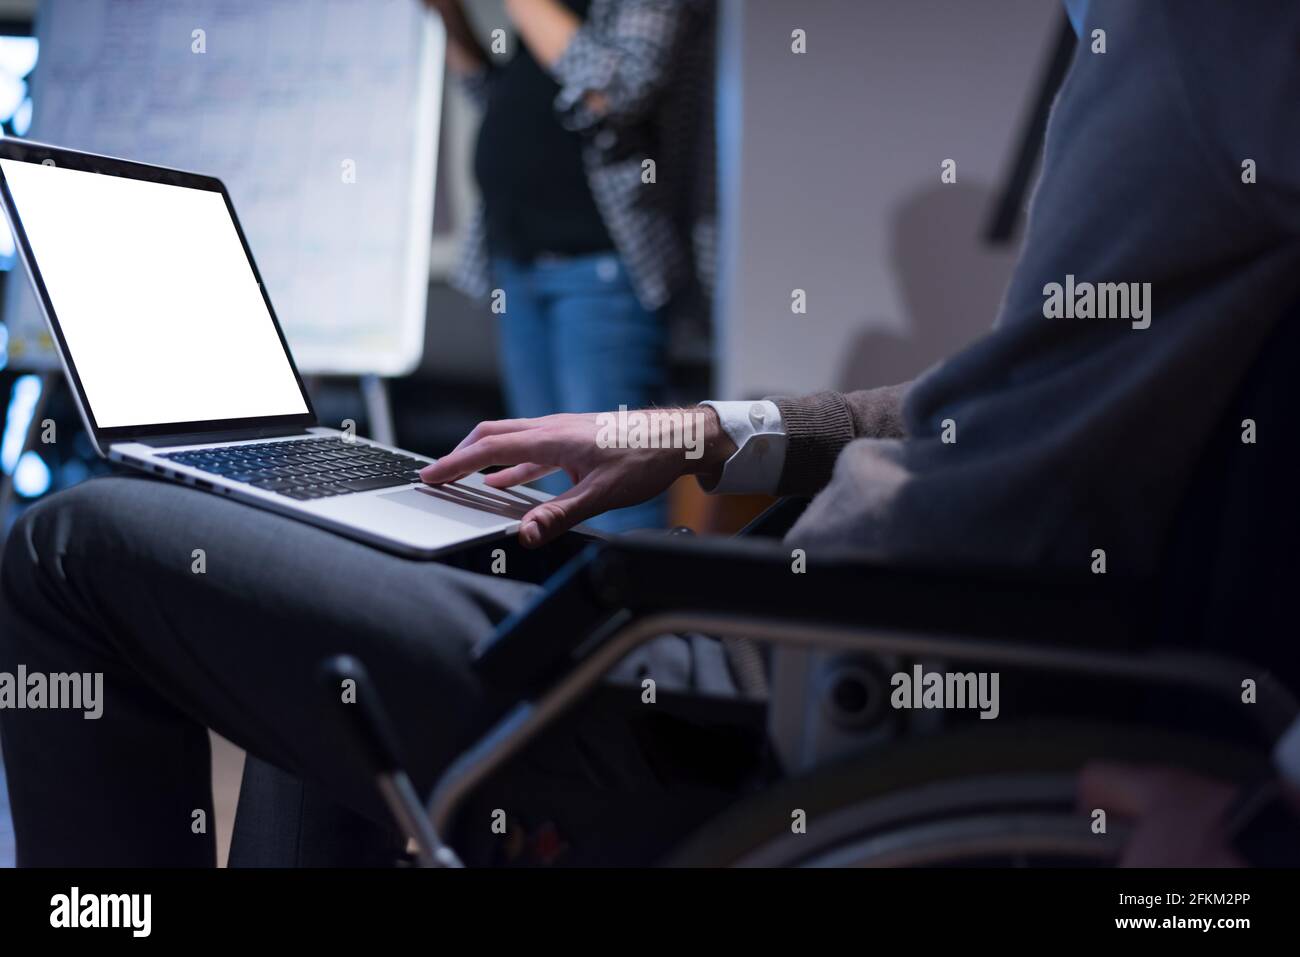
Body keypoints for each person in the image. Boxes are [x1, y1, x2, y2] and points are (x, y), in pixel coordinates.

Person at [2, 0, 1299, 865]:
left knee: (69, 549)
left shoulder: (1214, 38)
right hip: (792, 632)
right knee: (344, 588)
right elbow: (995, 393)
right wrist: (686, 432)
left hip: (807, 693)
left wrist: (1272, 800)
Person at [426, 0, 715, 533]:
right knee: (541, 493)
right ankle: (562, 615)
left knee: (612, 489)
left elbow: (617, 89)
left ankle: (640, 616)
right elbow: (498, 97)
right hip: (515, 258)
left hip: (601, 267)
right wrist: (451, 17)